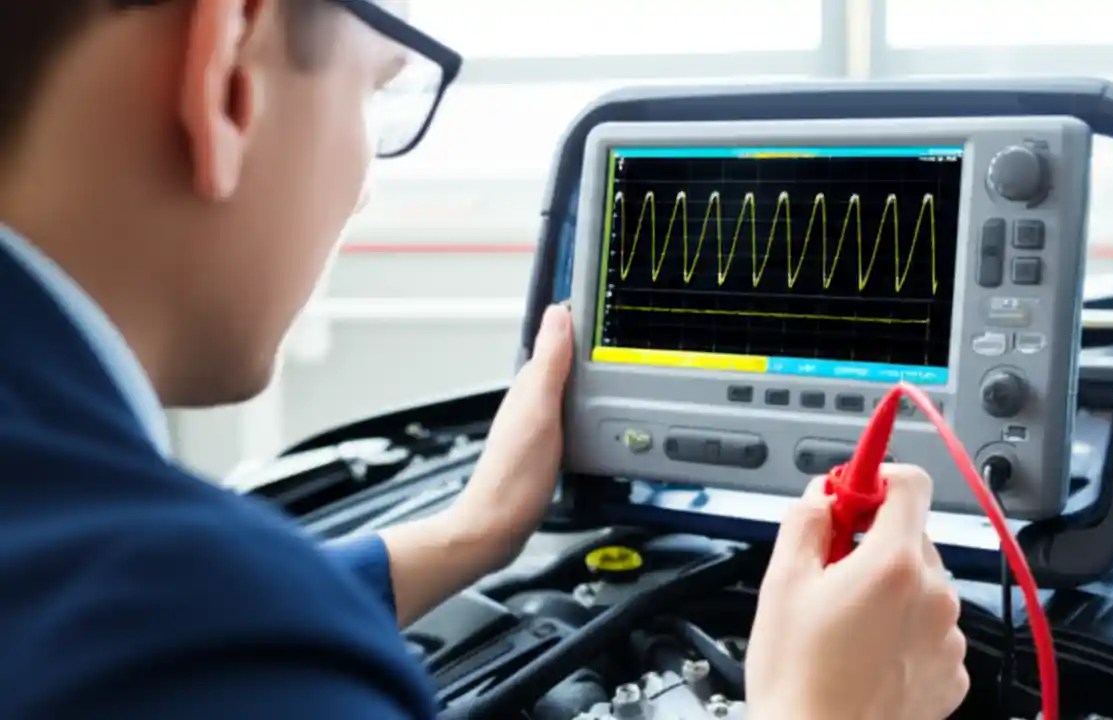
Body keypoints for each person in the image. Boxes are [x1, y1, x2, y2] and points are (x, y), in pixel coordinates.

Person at [0, 1, 969, 718]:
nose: (363, 191)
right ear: (226, 73)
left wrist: (476, 531)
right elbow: (187, 640)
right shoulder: (192, 650)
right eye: (375, 93)